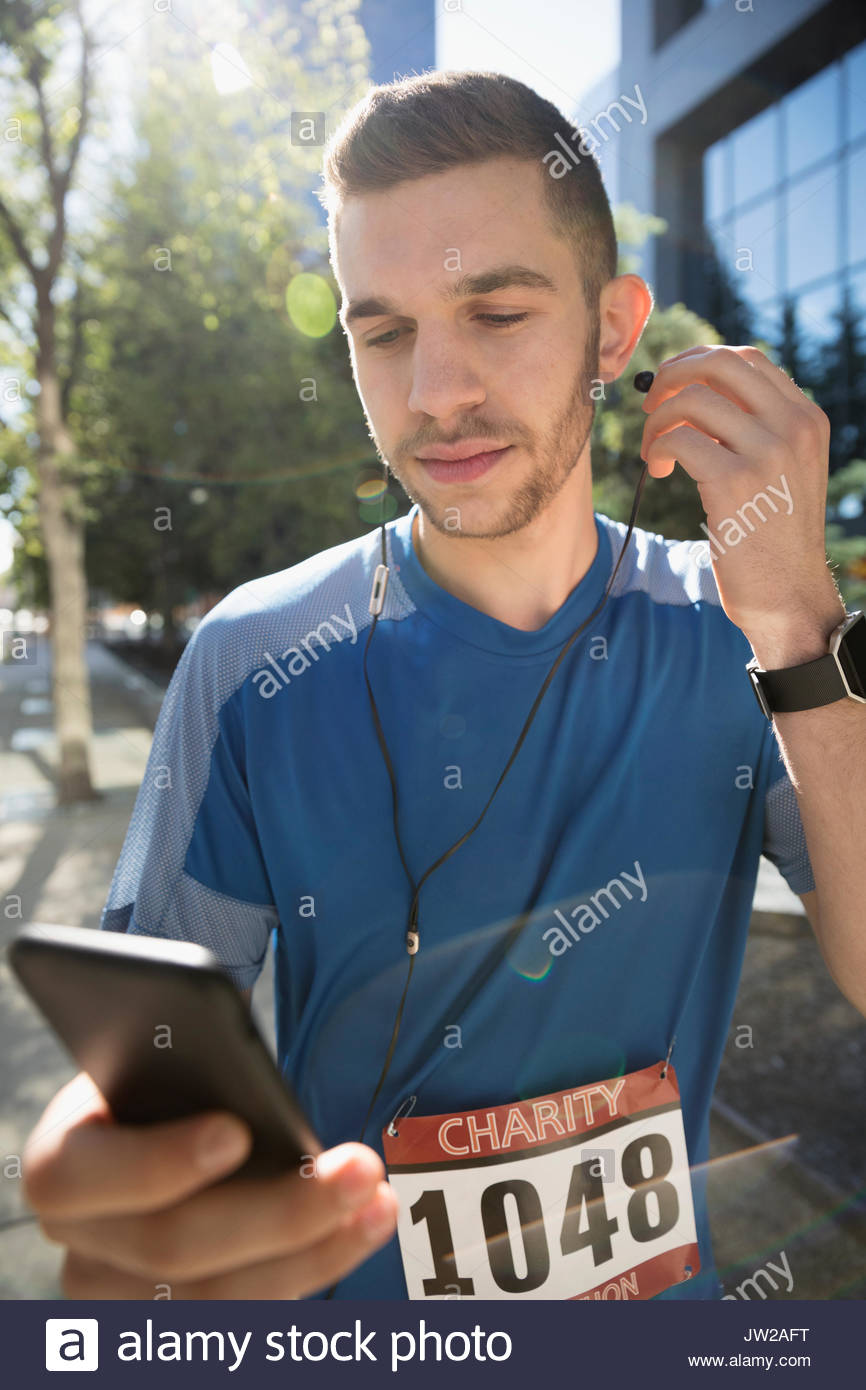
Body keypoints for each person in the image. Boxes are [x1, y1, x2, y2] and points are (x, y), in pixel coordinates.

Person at [22, 70, 864, 1302]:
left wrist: (798, 617)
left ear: (613, 332)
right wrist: (126, 1229)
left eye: (498, 312)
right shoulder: (254, 659)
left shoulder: (738, 633)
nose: (432, 395)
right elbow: (150, 1068)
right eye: (383, 332)